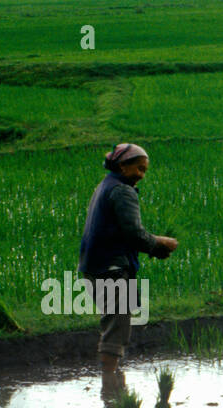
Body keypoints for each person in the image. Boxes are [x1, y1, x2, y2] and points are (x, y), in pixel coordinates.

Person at [78, 143, 178, 386]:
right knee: (117, 326)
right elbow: (134, 234)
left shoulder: (104, 185)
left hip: (93, 266)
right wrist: (159, 245)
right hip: (111, 268)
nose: (141, 175)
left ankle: (110, 381)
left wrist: (154, 244)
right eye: (138, 169)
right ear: (122, 165)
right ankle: (110, 385)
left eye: (145, 171)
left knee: (112, 321)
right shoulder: (123, 191)